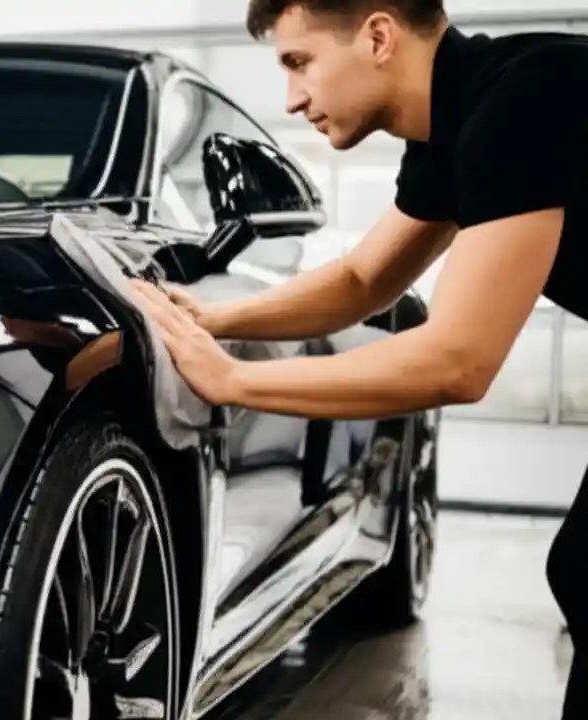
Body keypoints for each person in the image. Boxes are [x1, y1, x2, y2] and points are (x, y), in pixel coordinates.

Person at [128, 0, 588, 715]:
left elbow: (459, 361)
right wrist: (212, 317)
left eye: (299, 62)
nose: (292, 98)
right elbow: (363, 281)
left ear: (377, 36)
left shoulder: (523, 97)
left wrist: (236, 379)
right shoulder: (460, 118)